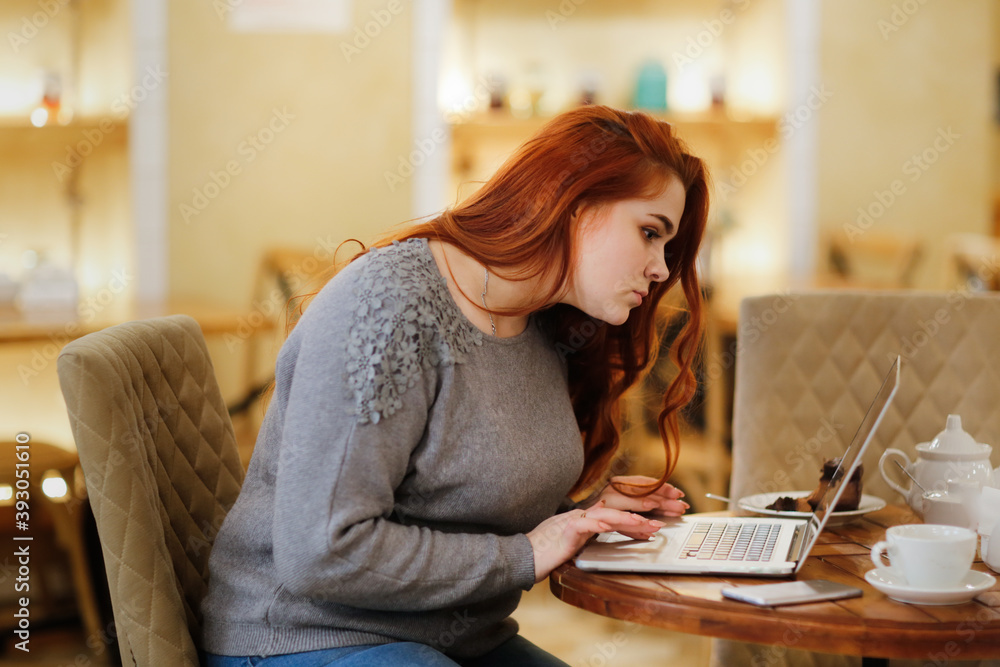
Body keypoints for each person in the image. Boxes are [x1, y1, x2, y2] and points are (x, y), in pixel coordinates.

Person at [200, 104, 710, 667]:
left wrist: (582, 515)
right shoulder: (391, 307)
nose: (662, 269)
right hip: (310, 639)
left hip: (457, 642)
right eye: (649, 233)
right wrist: (525, 554)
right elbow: (323, 549)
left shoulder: (541, 323)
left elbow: (457, 503)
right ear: (573, 203)